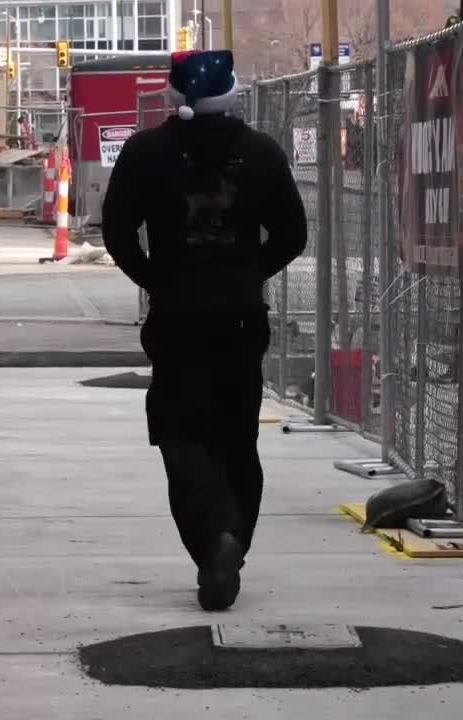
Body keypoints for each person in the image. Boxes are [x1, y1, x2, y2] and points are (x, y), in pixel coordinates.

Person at [102, 50, 307, 612]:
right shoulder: (261, 152)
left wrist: (158, 280)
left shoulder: (145, 153)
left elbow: (118, 232)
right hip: (241, 318)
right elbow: (292, 235)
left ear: (173, 95)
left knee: (180, 433)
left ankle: (214, 540)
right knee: (238, 436)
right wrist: (246, 275)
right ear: (233, 93)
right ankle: (233, 538)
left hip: (177, 317)